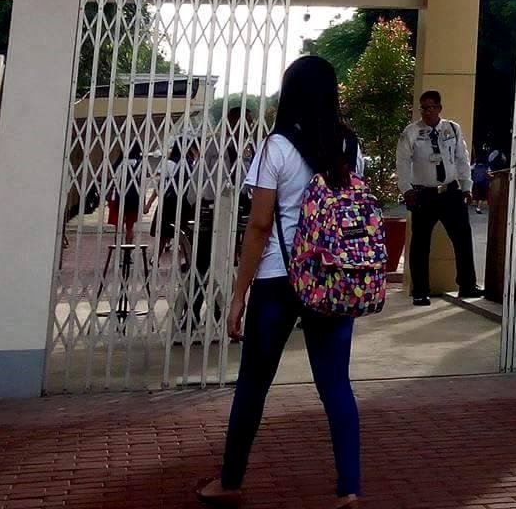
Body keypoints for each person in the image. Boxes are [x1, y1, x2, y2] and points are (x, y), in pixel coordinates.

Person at [196, 55, 362, 509]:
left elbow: (259, 225)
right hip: (331, 277)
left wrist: (238, 293)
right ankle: (348, 487)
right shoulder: (350, 145)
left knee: (254, 384)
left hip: (278, 279)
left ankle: (230, 482)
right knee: (336, 385)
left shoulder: (277, 147)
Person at [395, 91, 478, 305]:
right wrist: (406, 189)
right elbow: (402, 163)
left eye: (432, 107)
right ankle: (421, 291)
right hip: (423, 194)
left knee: (462, 238)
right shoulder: (411, 132)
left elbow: (462, 159)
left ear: (439, 108)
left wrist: (466, 186)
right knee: (420, 244)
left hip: (450, 192)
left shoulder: (452, 129)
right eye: (424, 108)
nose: (427, 112)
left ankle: (467, 285)